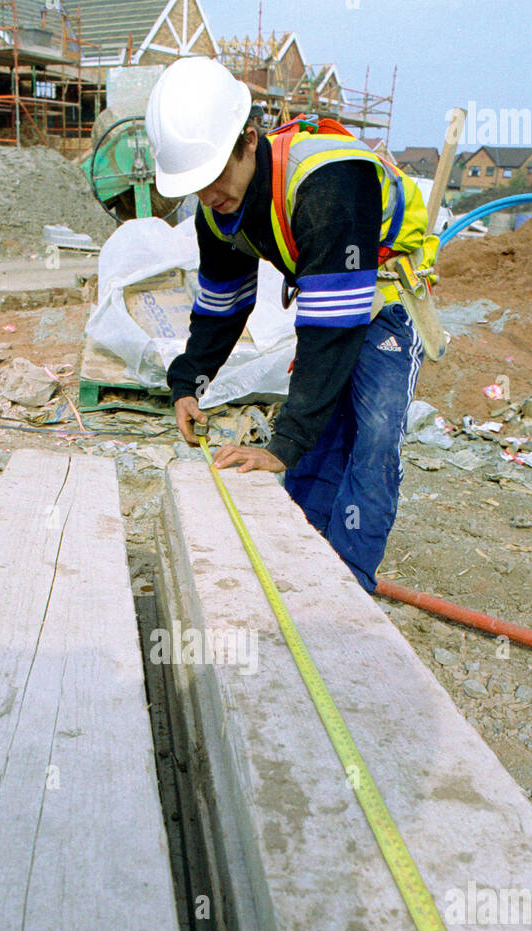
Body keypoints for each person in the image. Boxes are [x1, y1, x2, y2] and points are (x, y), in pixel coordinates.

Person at [145, 56, 438, 594]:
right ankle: (298, 564)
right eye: (196, 186)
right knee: (317, 432)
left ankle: (345, 594)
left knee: (370, 438)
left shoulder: (327, 182)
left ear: (249, 140)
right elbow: (222, 304)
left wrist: (281, 445)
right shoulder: (217, 209)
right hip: (333, 294)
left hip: (385, 294)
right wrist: (189, 384)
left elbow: (333, 328)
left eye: (215, 177)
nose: (209, 197)